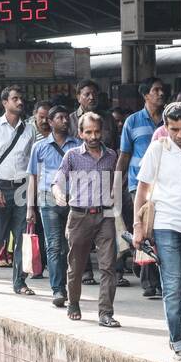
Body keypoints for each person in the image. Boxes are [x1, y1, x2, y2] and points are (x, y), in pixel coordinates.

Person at [135, 101, 181, 362]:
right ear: (166, 127)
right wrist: (137, 226)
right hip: (165, 225)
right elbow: (142, 189)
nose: (179, 134)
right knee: (173, 286)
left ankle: (178, 315)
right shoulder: (157, 149)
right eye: (174, 128)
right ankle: (178, 341)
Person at [54, 113, 120, 326]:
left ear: (102, 132)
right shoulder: (72, 156)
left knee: (109, 266)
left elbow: (117, 185)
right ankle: (73, 302)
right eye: (88, 132)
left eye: (97, 131)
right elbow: (57, 182)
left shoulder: (111, 156)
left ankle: (106, 313)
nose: (93, 136)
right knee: (76, 265)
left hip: (105, 216)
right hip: (79, 215)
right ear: (80, 133)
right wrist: (59, 195)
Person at [0, 86, 35, 294]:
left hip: (21, 187)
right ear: (5, 103)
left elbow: (31, 164)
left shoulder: (29, 129)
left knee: (21, 237)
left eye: (21, 98)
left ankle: (20, 282)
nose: (20, 102)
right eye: (15, 99)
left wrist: (31, 194)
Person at [118, 78, 168, 299]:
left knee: (161, 230)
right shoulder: (132, 121)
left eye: (161, 89)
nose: (160, 93)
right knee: (144, 229)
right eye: (155, 90)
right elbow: (124, 155)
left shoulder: (170, 120)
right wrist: (116, 185)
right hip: (138, 183)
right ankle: (149, 281)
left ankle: (158, 274)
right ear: (145, 95)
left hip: (164, 183)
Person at [27, 105, 81, 308]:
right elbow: (33, 177)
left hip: (72, 199)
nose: (65, 121)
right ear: (50, 122)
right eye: (60, 117)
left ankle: (69, 287)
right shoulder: (39, 147)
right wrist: (30, 208)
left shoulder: (76, 145)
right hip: (47, 200)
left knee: (70, 246)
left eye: (66, 117)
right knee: (54, 245)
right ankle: (57, 289)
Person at [68, 79, 118, 150]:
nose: (92, 97)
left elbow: (116, 145)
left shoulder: (108, 118)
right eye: (87, 94)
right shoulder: (70, 120)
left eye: (94, 94)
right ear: (78, 97)